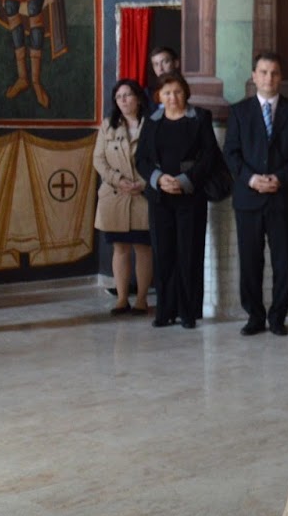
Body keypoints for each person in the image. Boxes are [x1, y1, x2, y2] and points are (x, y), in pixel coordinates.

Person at [224, 51, 288, 336]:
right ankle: (254, 316)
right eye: (263, 72)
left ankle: (277, 318)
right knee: (250, 260)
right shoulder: (239, 112)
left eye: (274, 73)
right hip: (248, 198)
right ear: (254, 76)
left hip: (283, 197)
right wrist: (251, 179)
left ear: (280, 77)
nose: (269, 78)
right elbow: (231, 153)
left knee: (282, 261)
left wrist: (280, 178)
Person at [135, 70, 219, 329]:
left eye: (178, 92)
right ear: (159, 96)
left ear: (186, 93)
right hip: (160, 197)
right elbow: (141, 159)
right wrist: (160, 179)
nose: (173, 97)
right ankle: (165, 311)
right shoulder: (151, 121)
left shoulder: (200, 118)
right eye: (167, 92)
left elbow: (210, 156)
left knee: (189, 254)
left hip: (190, 197)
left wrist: (183, 180)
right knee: (163, 254)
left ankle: (188, 312)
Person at [93, 78, 152, 317]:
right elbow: (99, 160)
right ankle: (121, 299)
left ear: (138, 98)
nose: (123, 100)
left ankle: (141, 299)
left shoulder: (152, 124)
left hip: (143, 195)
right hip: (115, 195)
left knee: (143, 248)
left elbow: (161, 158)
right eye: (118, 97)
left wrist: (144, 183)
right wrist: (118, 180)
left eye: (127, 95)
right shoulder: (108, 126)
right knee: (120, 248)